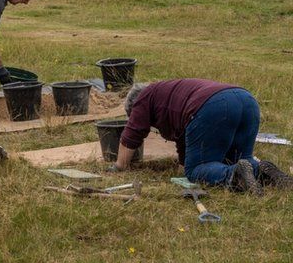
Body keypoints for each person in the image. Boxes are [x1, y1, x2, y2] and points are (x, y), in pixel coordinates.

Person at [113, 79, 293, 194]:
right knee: (237, 159)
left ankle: (234, 175)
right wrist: (184, 164)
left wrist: (120, 167)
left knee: (197, 170)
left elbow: (132, 133)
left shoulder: (143, 98)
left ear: (133, 107)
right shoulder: (167, 93)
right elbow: (185, 136)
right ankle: (261, 170)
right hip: (246, 100)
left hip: (214, 106)